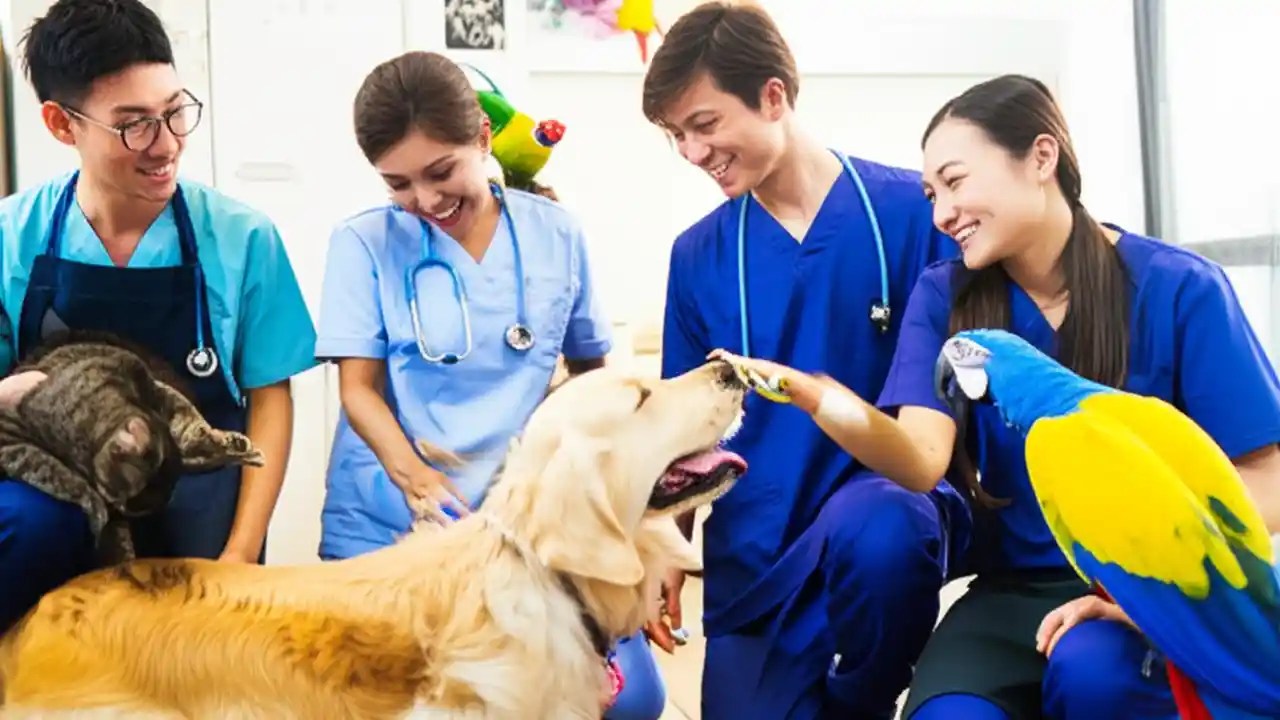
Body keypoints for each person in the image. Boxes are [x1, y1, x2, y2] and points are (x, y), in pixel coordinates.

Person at [720, 74, 1280, 720]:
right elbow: (921, 460)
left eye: (955, 183)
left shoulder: (1181, 290)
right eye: (930, 194)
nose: (939, 214)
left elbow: (1266, 479)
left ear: (1042, 158)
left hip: (1150, 596)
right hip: (1012, 590)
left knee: (1093, 674)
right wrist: (817, 396)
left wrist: (1152, 596)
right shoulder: (944, 296)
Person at [640, 3, 972, 718]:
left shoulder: (914, 217)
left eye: (704, 125)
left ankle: (861, 704)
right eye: (677, 137)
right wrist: (665, 538)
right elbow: (679, 424)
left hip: (885, 517)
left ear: (773, 95)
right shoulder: (697, 256)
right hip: (757, 552)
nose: (694, 153)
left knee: (882, 528)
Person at [312, 50, 664, 720]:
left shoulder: (556, 234)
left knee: (632, 701)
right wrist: (417, 481)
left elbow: (595, 379)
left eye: (441, 171)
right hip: (390, 524)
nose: (425, 200)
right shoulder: (362, 244)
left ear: (482, 137)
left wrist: (630, 522)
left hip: (520, 530)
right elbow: (357, 390)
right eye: (399, 184)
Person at [0, 0, 317, 632]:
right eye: (134, 125)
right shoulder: (13, 236)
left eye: (175, 111)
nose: (166, 144)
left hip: (197, 486)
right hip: (66, 486)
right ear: (62, 125)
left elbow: (269, 401)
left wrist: (239, 556)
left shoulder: (242, 237)